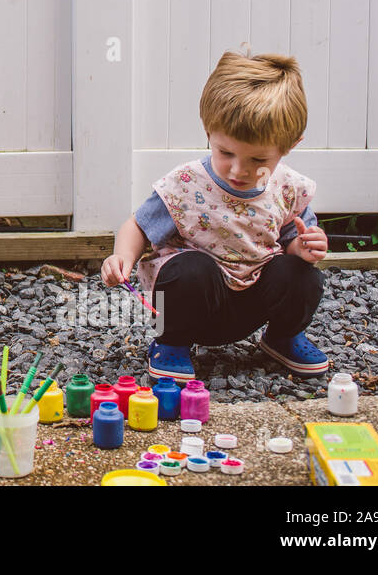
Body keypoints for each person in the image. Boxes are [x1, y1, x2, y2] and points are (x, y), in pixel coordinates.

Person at [101, 50, 330, 382]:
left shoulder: (287, 189)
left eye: (257, 159)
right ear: (209, 133)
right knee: (190, 269)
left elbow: (293, 242)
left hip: (254, 301)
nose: (239, 170)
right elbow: (138, 225)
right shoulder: (186, 185)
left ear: (290, 145)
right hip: (195, 303)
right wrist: (121, 256)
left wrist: (305, 249)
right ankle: (172, 343)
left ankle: (282, 336)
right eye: (226, 153)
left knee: (304, 276)